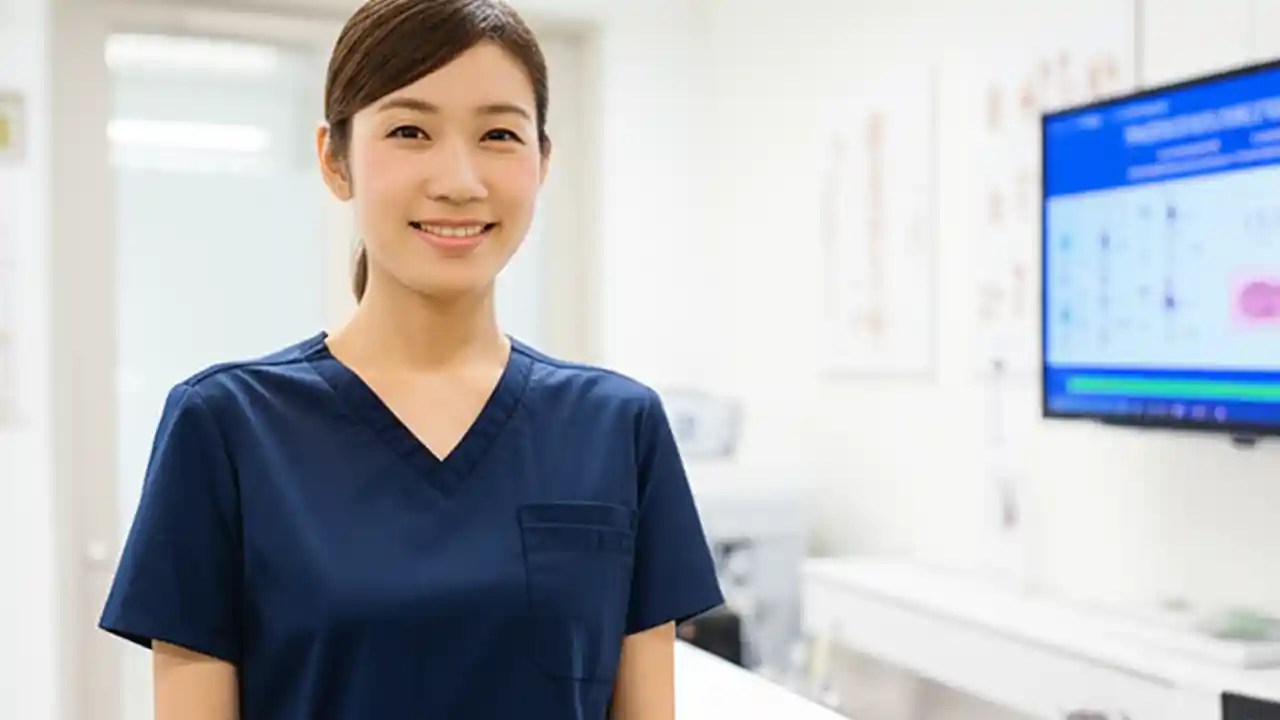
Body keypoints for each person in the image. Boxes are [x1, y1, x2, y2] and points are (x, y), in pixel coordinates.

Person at [98, 0, 725, 717]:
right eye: (409, 130)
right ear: (335, 160)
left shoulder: (618, 427)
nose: (459, 179)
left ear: (542, 161)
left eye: (498, 133)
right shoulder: (228, 427)